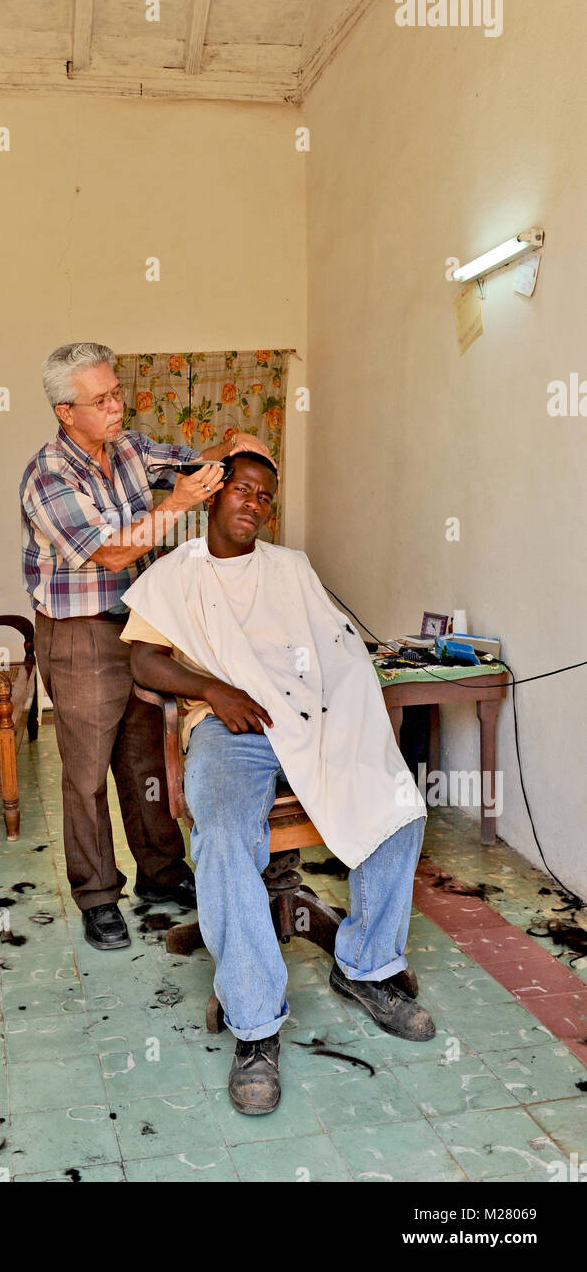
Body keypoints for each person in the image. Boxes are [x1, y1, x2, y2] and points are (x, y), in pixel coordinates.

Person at [122, 451, 436, 1114]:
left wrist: (344, 708)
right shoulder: (176, 575)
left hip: (309, 721)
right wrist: (212, 687)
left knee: (398, 806)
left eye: (265, 497)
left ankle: (366, 968)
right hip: (230, 731)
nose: (253, 505)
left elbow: (334, 650)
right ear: (214, 496)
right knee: (227, 836)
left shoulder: (290, 569)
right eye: (242, 490)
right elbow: (144, 661)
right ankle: (255, 1026)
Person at [20, 342, 275, 951]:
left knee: (144, 759)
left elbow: (194, 463)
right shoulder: (49, 476)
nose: (116, 405)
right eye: (100, 399)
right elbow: (111, 551)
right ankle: (98, 895)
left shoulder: (130, 448)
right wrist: (179, 505)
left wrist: (234, 451)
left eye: (116, 392)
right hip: (80, 633)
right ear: (65, 411)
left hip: (140, 625)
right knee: (86, 772)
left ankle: (161, 873)